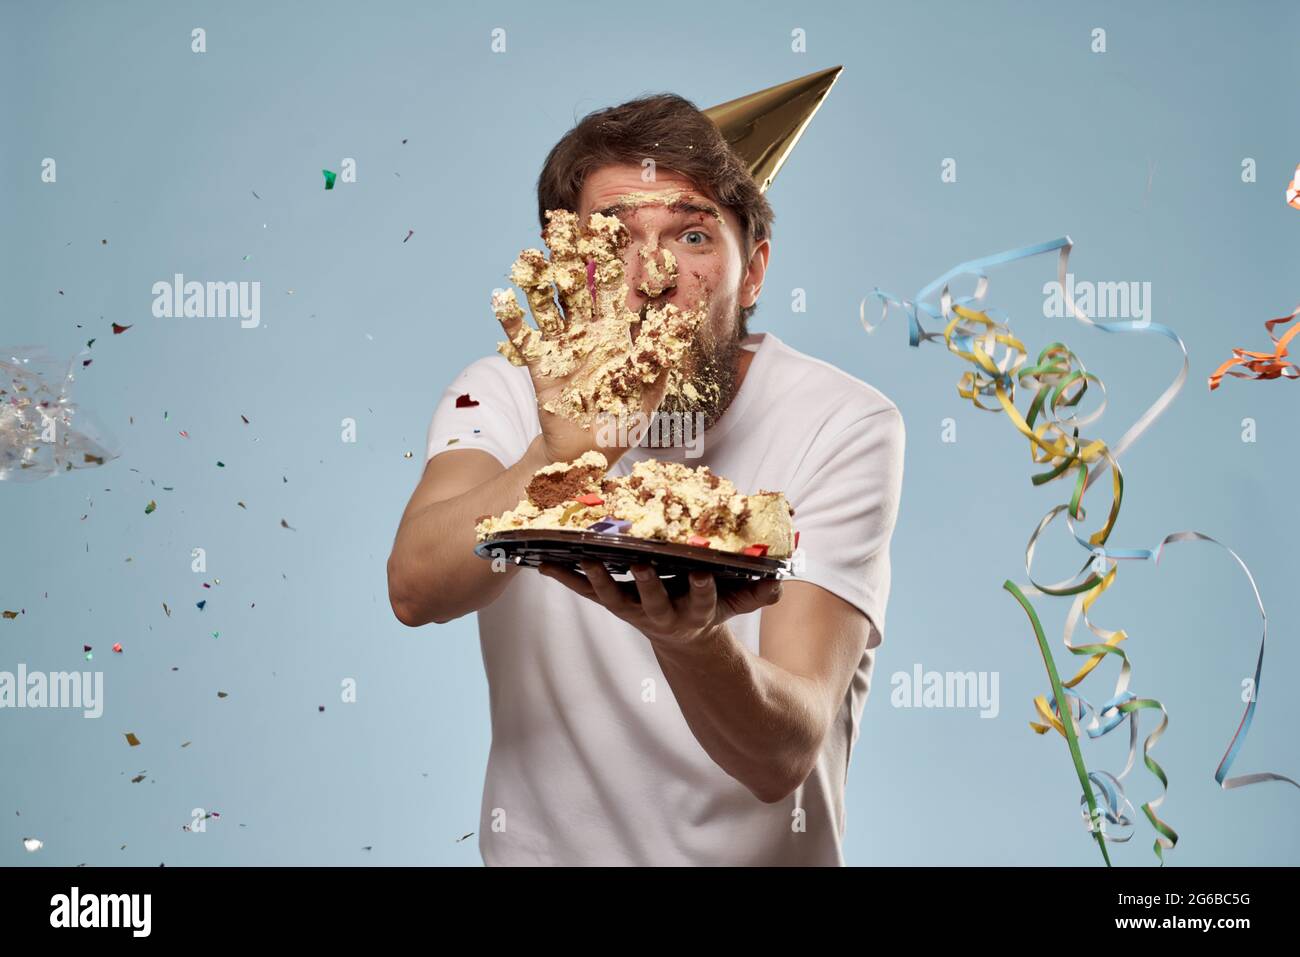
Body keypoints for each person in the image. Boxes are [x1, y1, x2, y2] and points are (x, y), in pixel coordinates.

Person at [387, 92, 905, 865]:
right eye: (612, 239)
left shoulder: (844, 421)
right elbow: (415, 588)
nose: (652, 275)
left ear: (753, 270)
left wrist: (693, 641)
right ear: (566, 265)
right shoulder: (497, 391)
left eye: (692, 235)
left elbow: (782, 754)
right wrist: (560, 459)